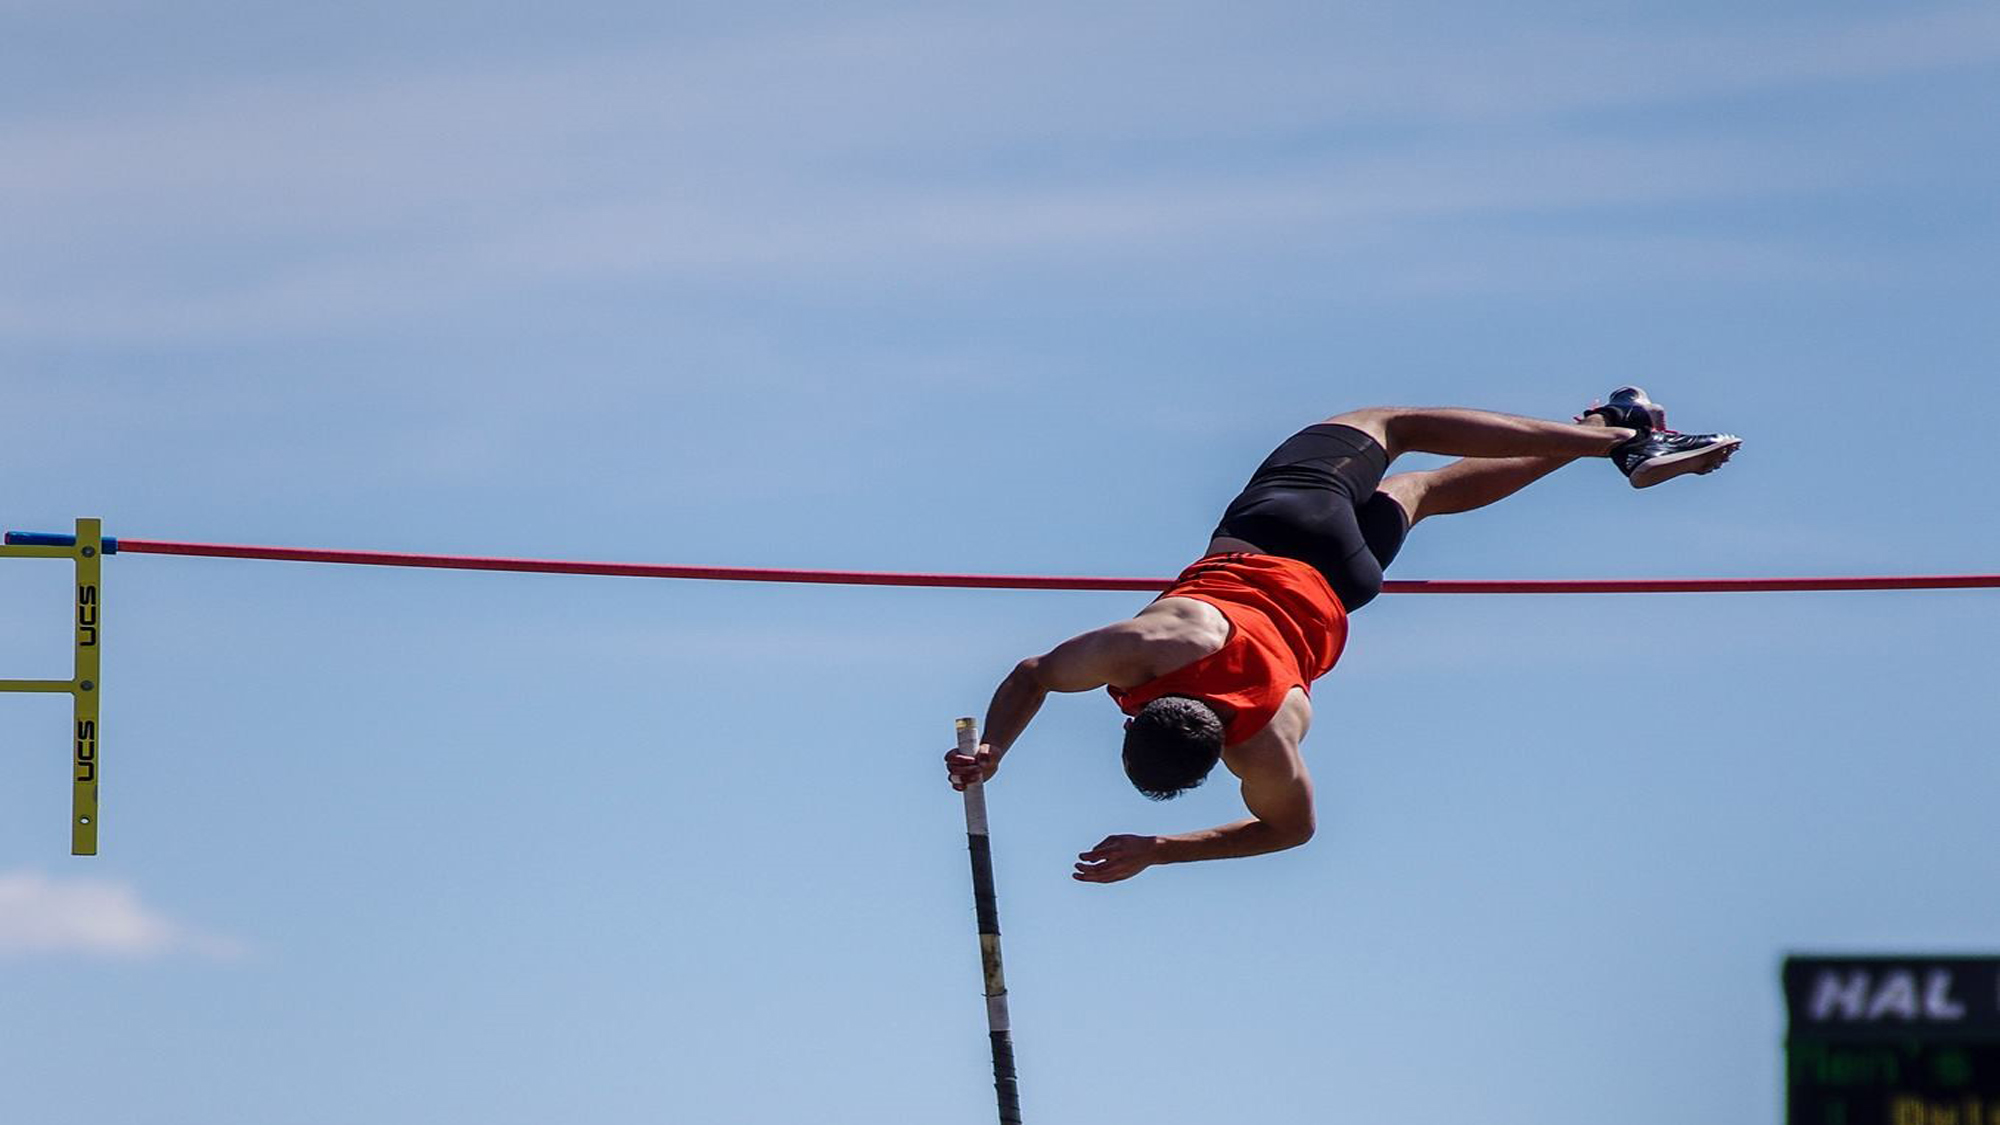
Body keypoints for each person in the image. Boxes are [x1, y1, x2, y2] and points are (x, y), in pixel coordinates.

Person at [944, 388, 1739, 884]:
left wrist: (1160, 848)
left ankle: (1605, 425)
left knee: (1420, 491)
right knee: (1393, 425)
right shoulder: (1155, 645)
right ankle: (1621, 443)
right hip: (1282, 527)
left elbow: (1290, 829)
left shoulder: (1263, 748)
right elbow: (1034, 672)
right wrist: (997, 749)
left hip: (1344, 586)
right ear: (1133, 712)